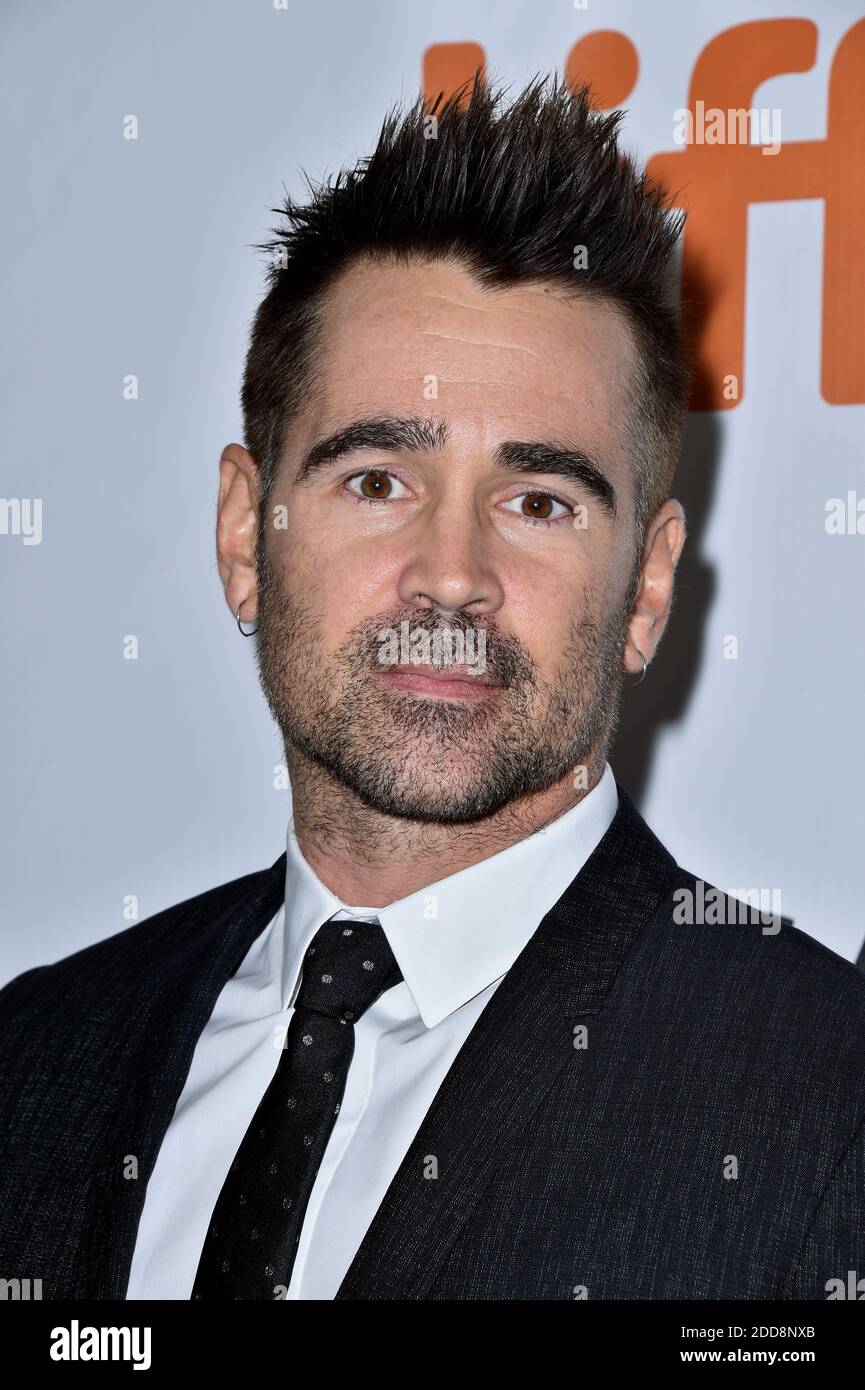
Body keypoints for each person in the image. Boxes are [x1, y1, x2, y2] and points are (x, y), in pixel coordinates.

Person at [1, 73, 863, 1302]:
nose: (450, 577)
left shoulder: (825, 1110)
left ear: (648, 590)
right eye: (375, 482)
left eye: (538, 502)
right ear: (247, 532)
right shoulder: (37, 1058)